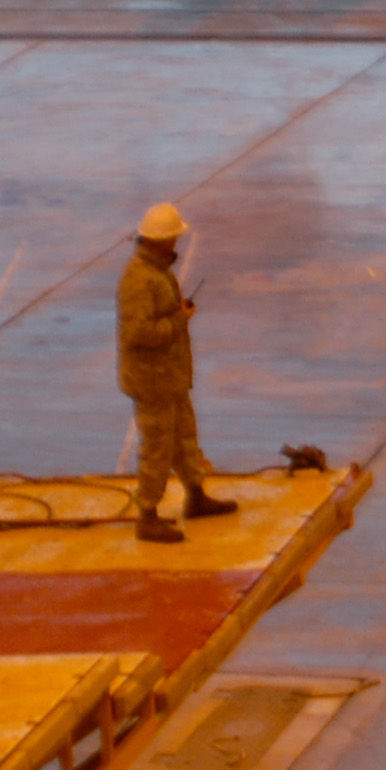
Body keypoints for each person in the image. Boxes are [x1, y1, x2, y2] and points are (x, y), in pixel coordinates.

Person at [119, 201, 236, 544]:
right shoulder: (140, 279)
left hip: (169, 377)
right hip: (152, 381)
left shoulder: (157, 271)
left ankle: (195, 496)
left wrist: (176, 313)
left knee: (184, 438)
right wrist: (178, 320)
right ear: (161, 240)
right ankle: (147, 515)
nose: (176, 243)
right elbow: (138, 334)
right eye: (173, 237)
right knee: (157, 447)